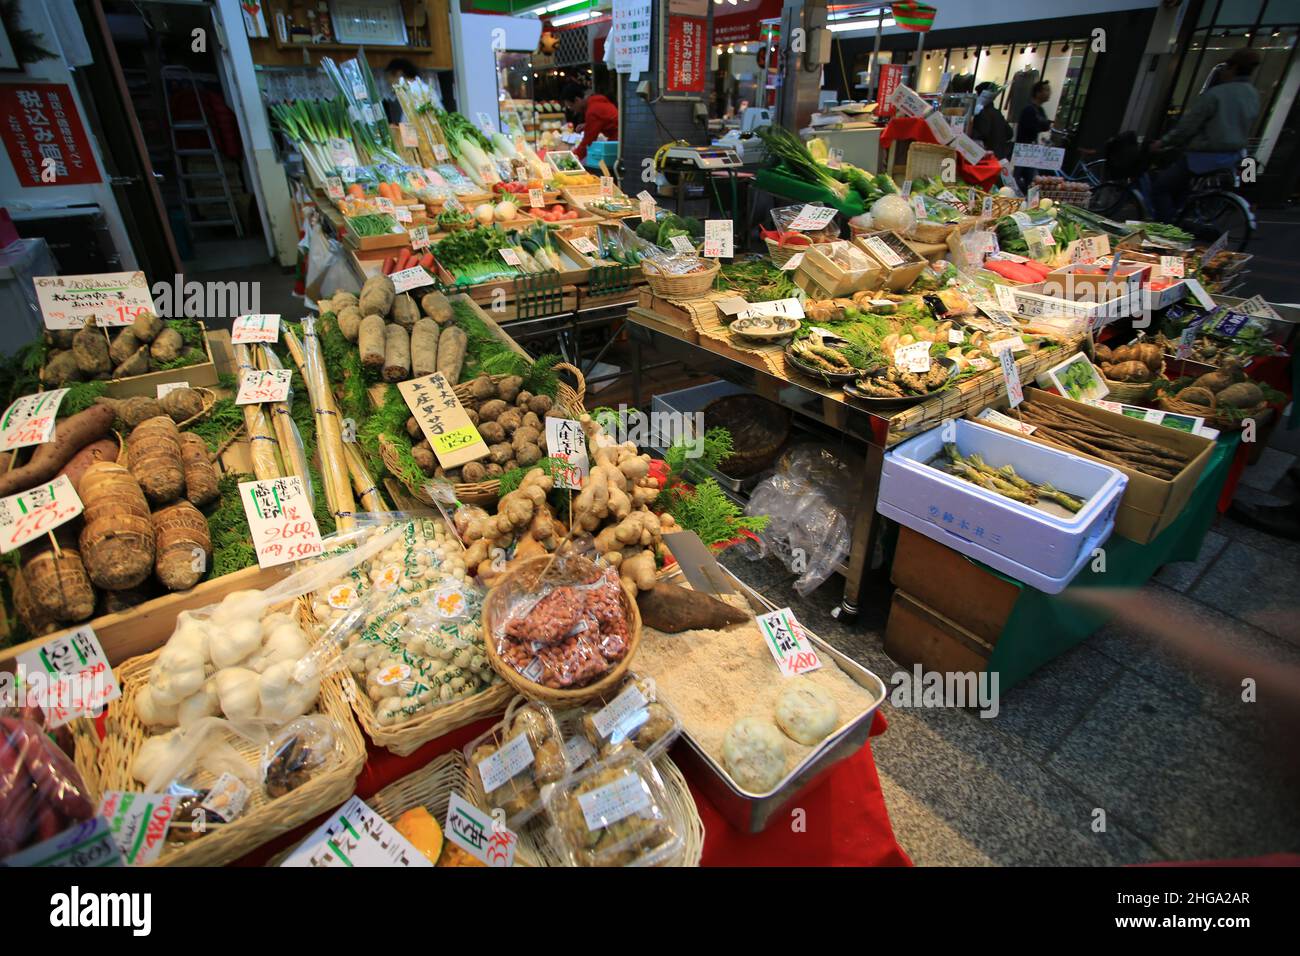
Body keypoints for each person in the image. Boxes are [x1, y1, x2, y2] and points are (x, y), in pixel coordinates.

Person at [1148, 48, 1260, 222]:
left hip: (1205, 155)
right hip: (1233, 156)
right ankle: (1179, 218)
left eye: (1225, 68)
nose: (1222, 72)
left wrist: (1163, 143)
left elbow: (1187, 127)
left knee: (1160, 187)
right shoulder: (1252, 94)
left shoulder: (1216, 94)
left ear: (1233, 68)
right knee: (1181, 189)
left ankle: (1166, 231)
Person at [560, 81, 618, 161]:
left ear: (577, 100)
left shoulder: (592, 110)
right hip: (617, 139)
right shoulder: (595, 102)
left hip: (618, 141)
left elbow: (588, 141)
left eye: (571, 106)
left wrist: (571, 158)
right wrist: (587, 125)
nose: (573, 110)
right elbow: (603, 120)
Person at [1014, 80, 1052, 193]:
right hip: (1024, 150)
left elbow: (1044, 126)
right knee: (1021, 179)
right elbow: (1034, 127)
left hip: (1033, 150)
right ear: (1038, 93)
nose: (1049, 93)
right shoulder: (1029, 110)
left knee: (1030, 179)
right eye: (1046, 90)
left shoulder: (1039, 110)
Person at [970, 81, 1013, 161]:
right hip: (1000, 157)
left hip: (987, 158)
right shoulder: (997, 113)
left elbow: (981, 135)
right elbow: (1010, 133)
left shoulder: (980, 113)